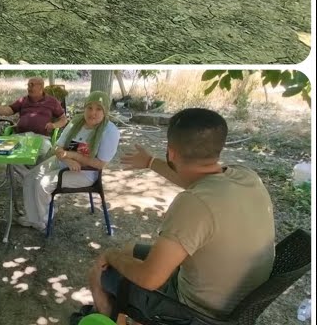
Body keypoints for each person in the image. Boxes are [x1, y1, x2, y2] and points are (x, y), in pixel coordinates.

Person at [81, 108, 274, 325]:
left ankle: (111, 318)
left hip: (196, 311)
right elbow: (197, 178)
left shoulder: (193, 202)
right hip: (236, 302)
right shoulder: (246, 176)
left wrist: (111, 255)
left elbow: (150, 279)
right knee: (129, 250)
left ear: (171, 153)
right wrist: (150, 162)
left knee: (100, 271)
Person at [15, 91, 120, 231]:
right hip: (63, 161)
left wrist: (73, 156)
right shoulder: (76, 122)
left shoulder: (109, 131)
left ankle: (43, 220)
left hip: (85, 172)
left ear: (105, 111)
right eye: (89, 107)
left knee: (43, 183)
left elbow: (100, 163)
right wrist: (67, 158)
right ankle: (33, 217)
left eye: (98, 108)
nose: (92, 113)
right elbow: (58, 146)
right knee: (30, 178)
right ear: (84, 107)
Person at [0, 77, 69, 137]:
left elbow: (63, 119)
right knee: (12, 156)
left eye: (32, 85)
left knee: (40, 156)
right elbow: (9, 110)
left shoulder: (52, 101)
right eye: (28, 85)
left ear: (41, 87)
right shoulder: (23, 100)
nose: (29, 88)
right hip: (21, 136)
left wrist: (54, 125)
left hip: (41, 138)